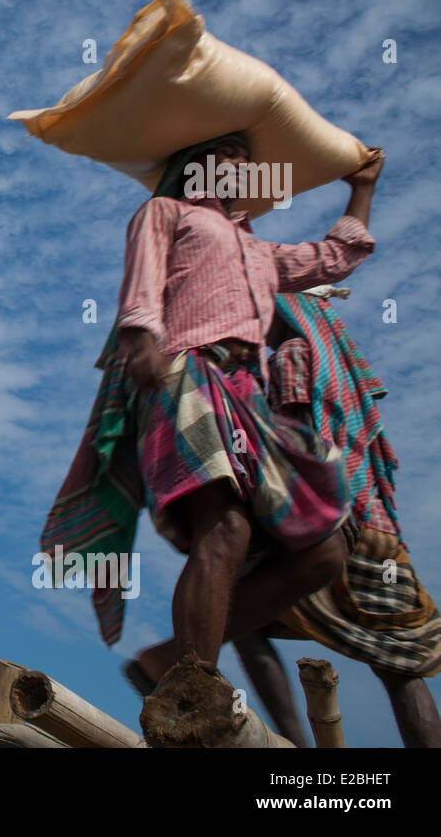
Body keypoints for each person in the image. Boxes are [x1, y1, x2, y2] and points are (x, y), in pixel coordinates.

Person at [42, 135, 381, 692]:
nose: (240, 165)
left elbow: (333, 259)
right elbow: (141, 289)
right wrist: (142, 344)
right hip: (187, 371)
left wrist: (362, 188)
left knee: (324, 551)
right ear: (192, 165)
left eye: (246, 159)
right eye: (226, 153)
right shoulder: (166, 212)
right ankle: (193, 686)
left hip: (251, 396)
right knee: (223, 526)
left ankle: (169, 658)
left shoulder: (259, 251)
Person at [233, 288, 441, 748]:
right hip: (380, 532)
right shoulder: (339, 373)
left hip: (333, 525)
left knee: (238, 614)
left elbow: (300, 440)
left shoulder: (290, 355)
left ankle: (292, 744)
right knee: (399, 668)